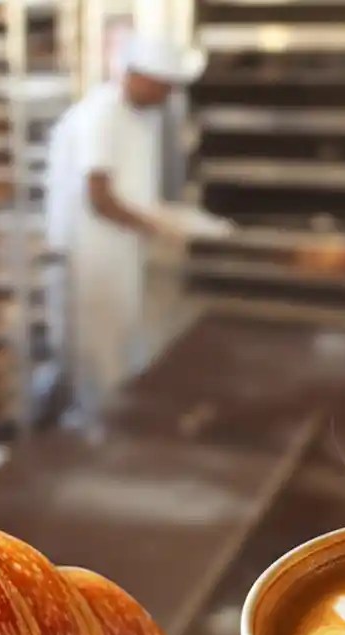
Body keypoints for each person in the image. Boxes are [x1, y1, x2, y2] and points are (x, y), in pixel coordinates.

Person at [46, 35, 207, 426]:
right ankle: (90, 433)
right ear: (136, 75)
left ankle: (114, 423)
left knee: (121, 348)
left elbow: (129, 190)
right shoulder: (99, 114)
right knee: (96, 354)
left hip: (121, 252)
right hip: (91, 257)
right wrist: (159, 226)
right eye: (162, 86)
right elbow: (98, 197)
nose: (167, 96)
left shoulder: (137, 117)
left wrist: (161, 219)